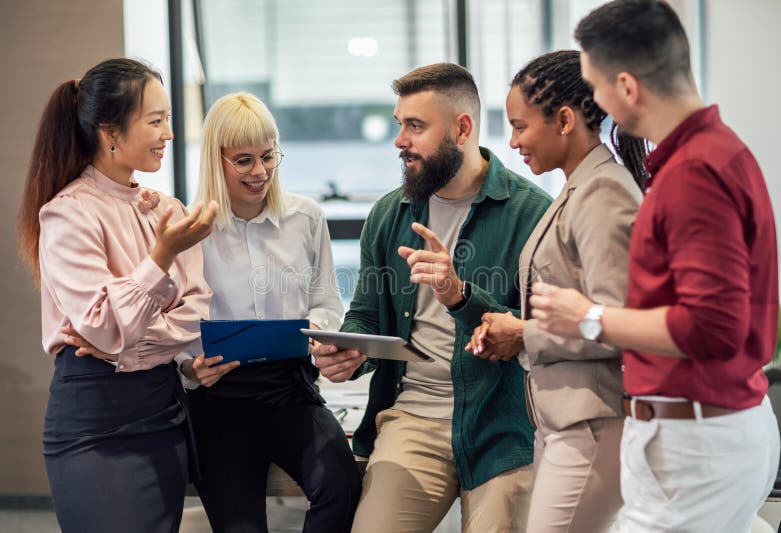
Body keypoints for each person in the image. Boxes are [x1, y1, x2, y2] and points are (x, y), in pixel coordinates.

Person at [529, 2, 781, 531]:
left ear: (627, 86)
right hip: (703, 435)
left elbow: (711, 326)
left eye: (596, 86)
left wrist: (587, 316)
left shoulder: (695, 172)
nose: (595, 101)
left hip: (694, 446)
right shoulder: (715, 152)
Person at [313, 63, 552, 532]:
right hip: (414, 417)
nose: (400, 140)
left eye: (415, 126)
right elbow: (364, 315)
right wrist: (349, 352)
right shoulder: (389, 213)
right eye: (400, 124)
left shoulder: (532, 214)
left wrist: (460, 295)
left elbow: (539, 336)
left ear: (462, 129)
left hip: (501, 424)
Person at [17, 58, 218, 533]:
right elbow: (105, 326)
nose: (168, 132)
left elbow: (195, 314)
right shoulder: (67, 214)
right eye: (155, 120)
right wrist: (161, 257)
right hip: (96, 422)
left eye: (168, 118)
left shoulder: (167, 210)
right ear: (110, 130)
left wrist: (125, 347)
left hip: (163, 412)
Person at [466, 50, 646, 532]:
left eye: (521, 126)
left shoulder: (603, 192)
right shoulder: (576, 188)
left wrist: (524, 333)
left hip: (592, 423)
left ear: (564, 119)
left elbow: (620, 323)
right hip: (559, 423)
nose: (513, 141)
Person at [176, 92, 361, 533]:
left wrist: (318, 330)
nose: (260, 172)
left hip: (290, 391)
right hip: (219, 400)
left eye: (268, 156)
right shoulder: (189, 229)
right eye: (243, 160)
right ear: (216, 161)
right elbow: (175, 324)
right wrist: (189, 367)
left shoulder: (306, 218)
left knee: (340, 487)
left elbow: (327, 301)